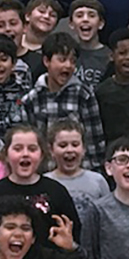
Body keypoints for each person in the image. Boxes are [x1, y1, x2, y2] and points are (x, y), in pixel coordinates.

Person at [0, 125, 80, 243]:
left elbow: (74, 234)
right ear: (6, 155)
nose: (25, 154)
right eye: (18, 149)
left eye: (32, 149)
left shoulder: (56, 191)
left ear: (41, 155)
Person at [21, 33, 105, 169]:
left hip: (78, 170)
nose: (68, 65)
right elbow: (30, 141)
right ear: (46, 61)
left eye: (73, 61)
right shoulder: (32, 99)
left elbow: (95, 141)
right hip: (45, 172)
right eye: (62, 60)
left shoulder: (83, 95)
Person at [44, 119, 109, 209]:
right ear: (51, 150)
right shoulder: (45, 183)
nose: (69, 150)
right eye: (63, 145)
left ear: (84, 148)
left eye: (75, 144)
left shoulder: (98, 181)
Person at [68, 0, 112, 87]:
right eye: (79, 16)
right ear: (71, 24)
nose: (85, 19)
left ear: (101, 24)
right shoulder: (66, 54)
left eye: (91, 16)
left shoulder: (110, 57)